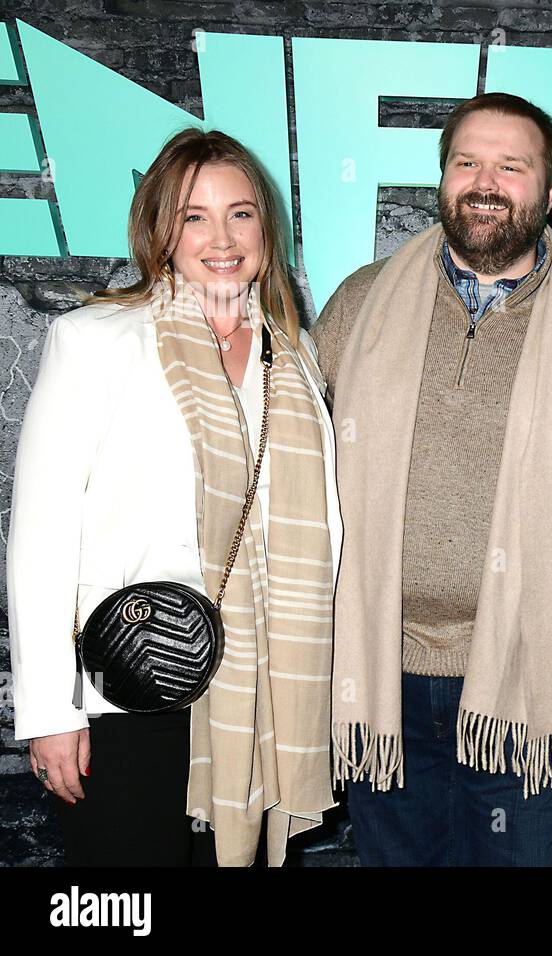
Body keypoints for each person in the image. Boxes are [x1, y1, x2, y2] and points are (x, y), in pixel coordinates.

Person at [312, 92, 552, 866]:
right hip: (377, 671)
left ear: (549, 191)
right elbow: (302, 460)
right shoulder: (362, 303)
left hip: (525, 675)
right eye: (468, 163)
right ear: (442, 178)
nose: (485, 183)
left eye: (511, 166)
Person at [7, 128, 342, 866]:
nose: (221, 238)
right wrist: (49, 712)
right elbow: (40, 537)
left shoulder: (293, 354)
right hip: (129, 687)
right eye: (195, 216)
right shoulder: (94, 340)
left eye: (241, 213)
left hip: (259, 691)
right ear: (161, 230)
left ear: (266, 229)